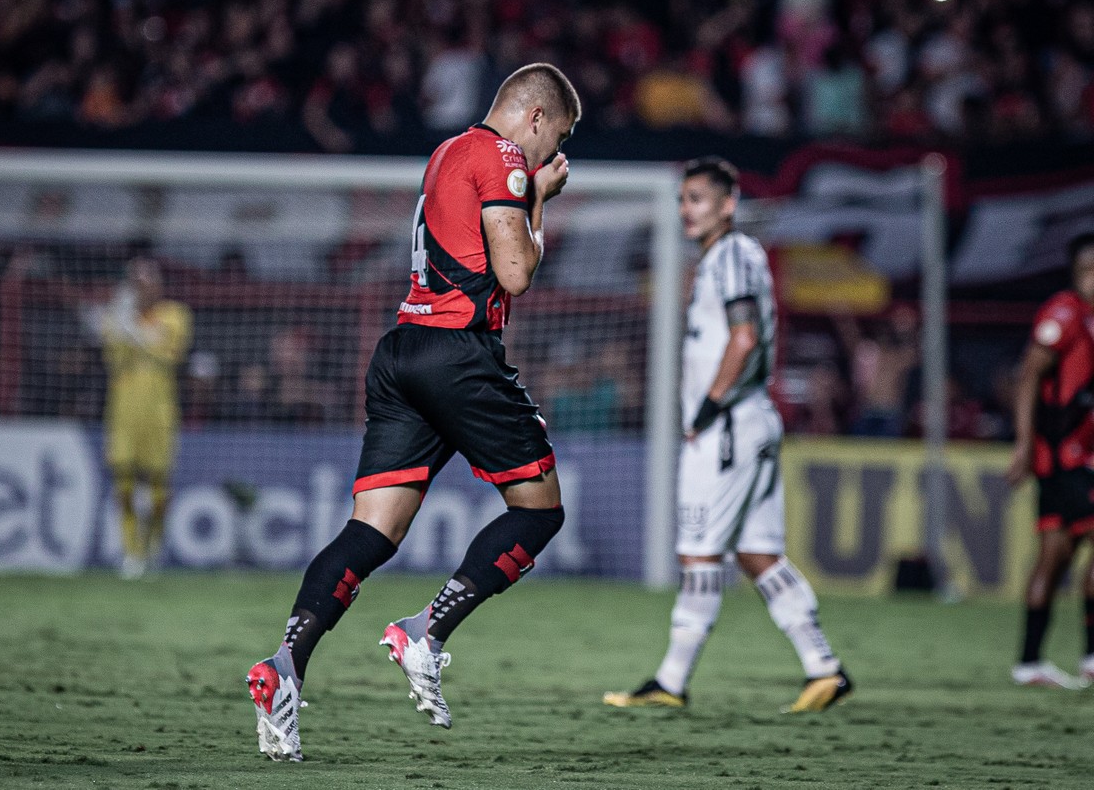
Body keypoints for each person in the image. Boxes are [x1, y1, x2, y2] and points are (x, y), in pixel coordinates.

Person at [246, 63, 580, 762]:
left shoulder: (448, 150)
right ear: (538, 118)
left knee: (371, 533)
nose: (553, 155)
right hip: (458, 352)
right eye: (560, 137)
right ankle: (426, 630)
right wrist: (540, 199)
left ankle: (284, 665)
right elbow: (516, 271)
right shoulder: (507, 156)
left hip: (401, 351)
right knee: (541, 509)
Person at [603, 157, 852, 713]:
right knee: (760, 553)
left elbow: (743, 338)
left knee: (699, 553)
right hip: (751, 421)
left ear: (728, 203)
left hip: (730, 427)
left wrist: (709, 408)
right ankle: (823, 668)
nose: (686, 209)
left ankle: (671, 680)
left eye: (698, 198)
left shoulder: (732, 255)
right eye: (683, 199)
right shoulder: (728, 259)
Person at [1005, 232, 1094, 689]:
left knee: (1056, 557)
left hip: (1082, 454)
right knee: (1062, 555)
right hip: (1062, 456)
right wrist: (1023, 445)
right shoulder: (1064, 314)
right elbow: (1027, 378)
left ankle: (1029, 662)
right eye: (1087, 271)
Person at [101, 257, 192, 579]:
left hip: (160, 413)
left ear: (158, 285)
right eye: (135, 283)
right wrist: (121, 324)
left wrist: (133, 330)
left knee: (157, 485)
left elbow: (170, 354)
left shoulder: (175, 315)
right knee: (123, 483)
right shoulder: (117, 318)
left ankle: (152, 549)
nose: (142, 289)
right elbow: (114, 359)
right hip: (123, 413)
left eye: (147, 282)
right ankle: (130, 553)